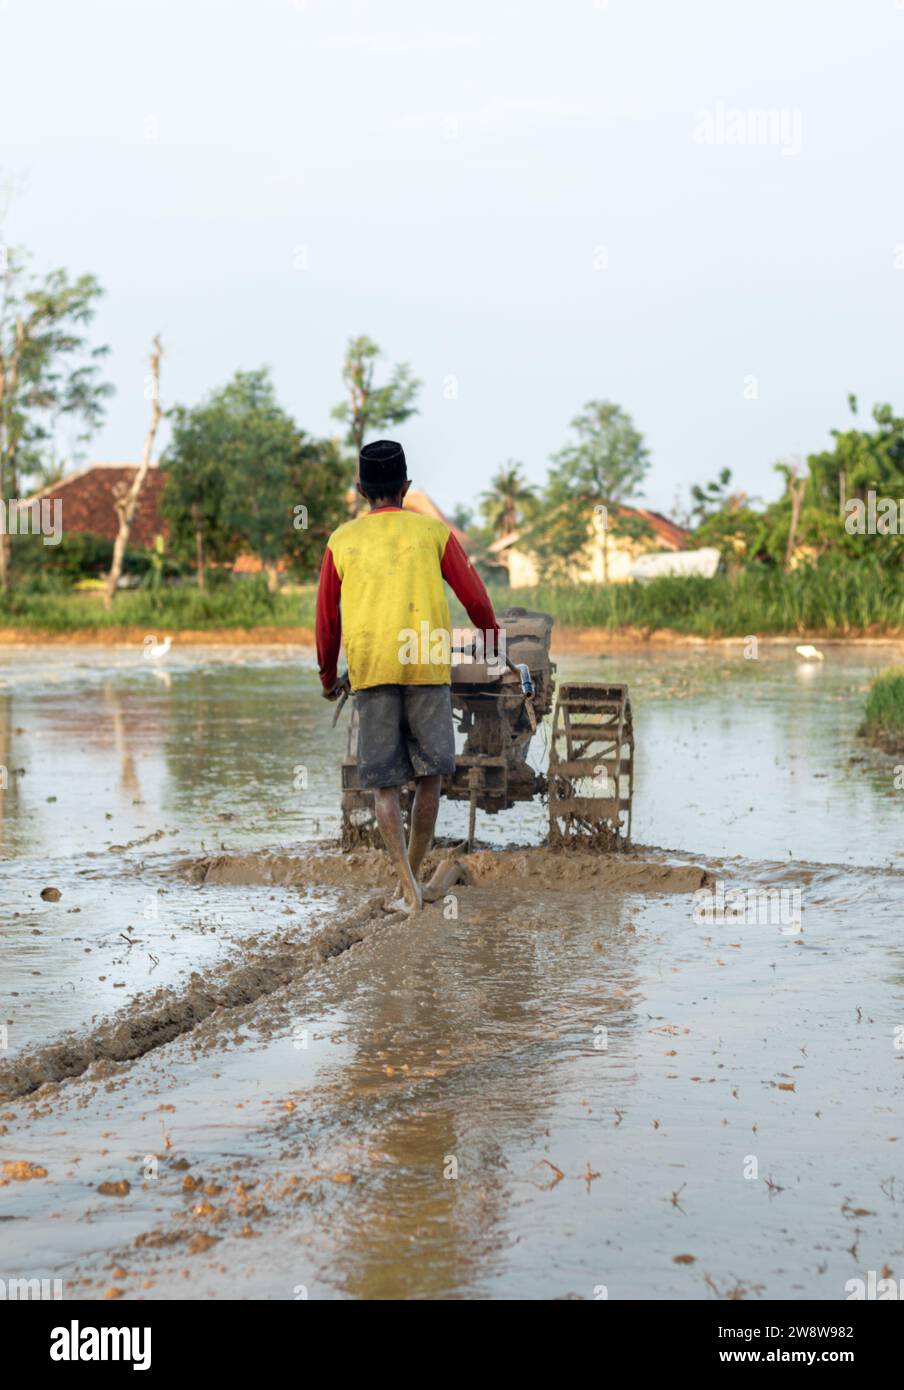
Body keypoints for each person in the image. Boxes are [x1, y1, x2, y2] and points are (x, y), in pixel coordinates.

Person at [316, 439, 500, 911]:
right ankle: (411, 885)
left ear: (361, 489)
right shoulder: (432, 533)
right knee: (430, 780)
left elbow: (327, 620)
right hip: (426, 663)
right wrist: (492, 637)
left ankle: (407, 890)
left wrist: (327, 674)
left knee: (383, 787)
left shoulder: (342, 540)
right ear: (406, 487)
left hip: (372, 668)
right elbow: (475, 598)